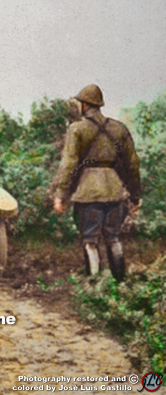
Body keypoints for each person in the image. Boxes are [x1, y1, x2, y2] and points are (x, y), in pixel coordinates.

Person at [52, 84, 141, 281]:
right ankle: (120, 284)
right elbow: (132, 164)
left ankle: (93, 285)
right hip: (116, 191)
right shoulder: (119, 128)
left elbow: (68, 164)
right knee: (113, 238)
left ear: (84, 105)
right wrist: (135, 196)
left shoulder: (77, 129)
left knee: (90, 240)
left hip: (88, 192)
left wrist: (61, 196)